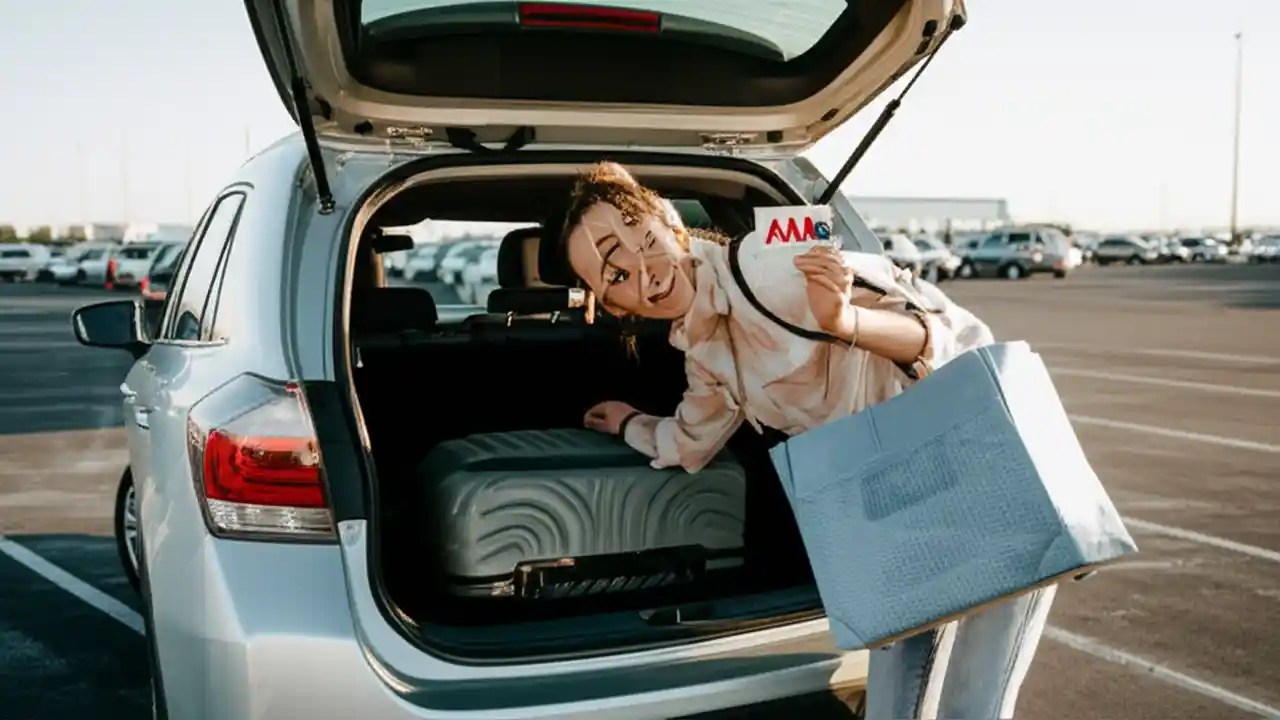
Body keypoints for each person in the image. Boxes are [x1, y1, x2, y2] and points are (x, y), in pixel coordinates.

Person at [554, 161, 1057, 720]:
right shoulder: (704, 353)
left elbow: (934, 335)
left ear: (671, 221)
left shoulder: (769, 263)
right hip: (892, 515)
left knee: (975, 709)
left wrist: (844, 321)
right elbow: (691, 443)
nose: (644, 273)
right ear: (614, 306)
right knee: (894, 708)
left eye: (642, 238)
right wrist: (628, 422)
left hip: (976, 480)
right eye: (616, 277)